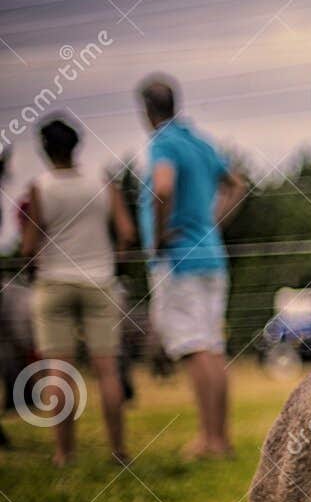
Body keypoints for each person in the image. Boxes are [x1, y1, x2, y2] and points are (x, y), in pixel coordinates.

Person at [136, 76, 247, 459]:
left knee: (194, 346)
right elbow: (237, 184)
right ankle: (220, 438)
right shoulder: (200, 142)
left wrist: (160, 237)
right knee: (212, 347)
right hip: (212, 257)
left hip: (179, 259)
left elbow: (163, 187)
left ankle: (209, 440)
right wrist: (213, 224)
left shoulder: (163, 142)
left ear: (147, 110)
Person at [18, 116, 136, 466]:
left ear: (44, 150)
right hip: (99, 282)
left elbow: (27, 245)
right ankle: (118, 450)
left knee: (58, 371)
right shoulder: (103, 183)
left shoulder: (39, 187)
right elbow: (126, 232)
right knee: (107, 370)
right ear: (77, 145)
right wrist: (114, 260)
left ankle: (64, 453)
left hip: (54, 283)